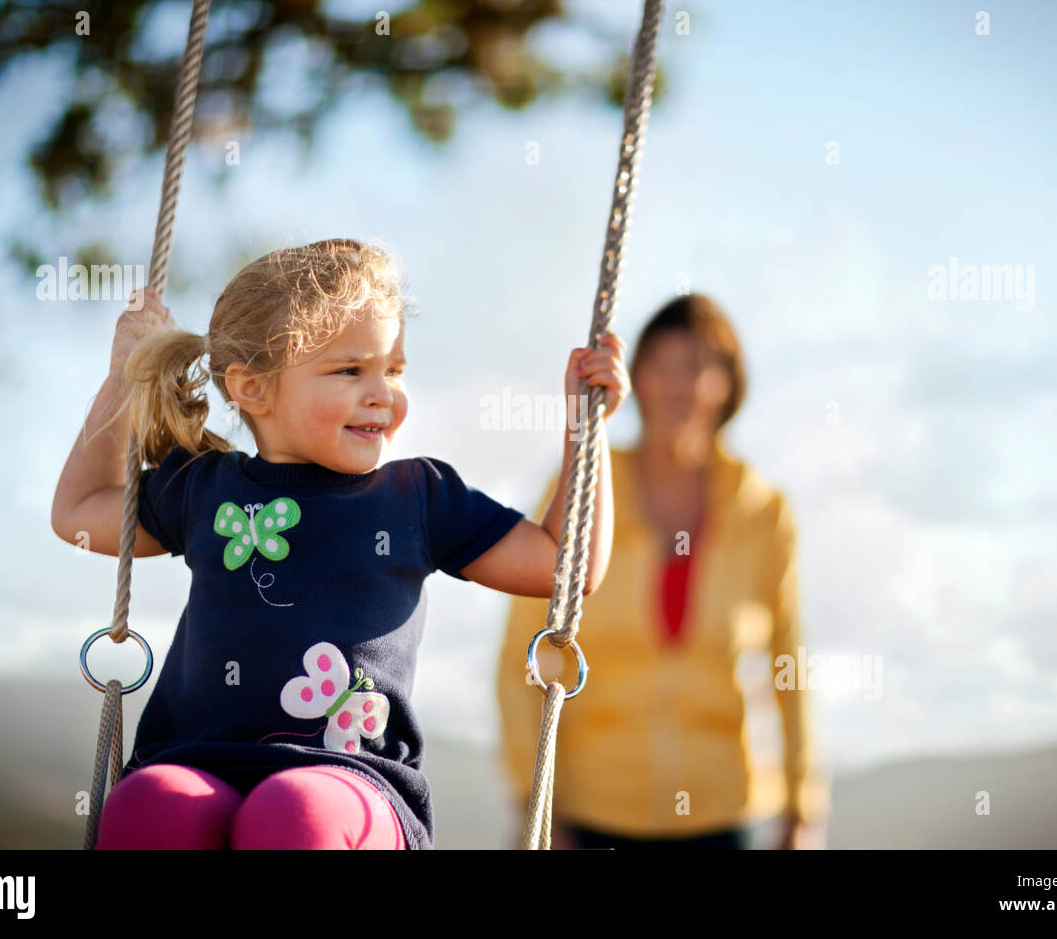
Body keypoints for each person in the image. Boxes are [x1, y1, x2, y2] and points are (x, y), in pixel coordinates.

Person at [50, 239, 631, 849]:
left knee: (293, 810)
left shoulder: (419, 499)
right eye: (351, 370)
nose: (383, 393)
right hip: (198, 761)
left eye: (394, 369)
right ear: (252, 388)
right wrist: (122, 377)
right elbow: (80, 512)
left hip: (355, 783)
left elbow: (566, 567)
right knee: (152, 803)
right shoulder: (206, 490)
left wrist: (584, 430)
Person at [497, 293, 829, 849]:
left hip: (727, 819)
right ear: (636, 379)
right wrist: (536, 806)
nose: (680, 385)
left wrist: (804, 810)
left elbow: (790, 667)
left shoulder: (765, 511)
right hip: (587, 818)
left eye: (699, 367)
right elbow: (518, 664)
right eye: (662, 365)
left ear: (728, 385)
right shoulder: (580, 489)